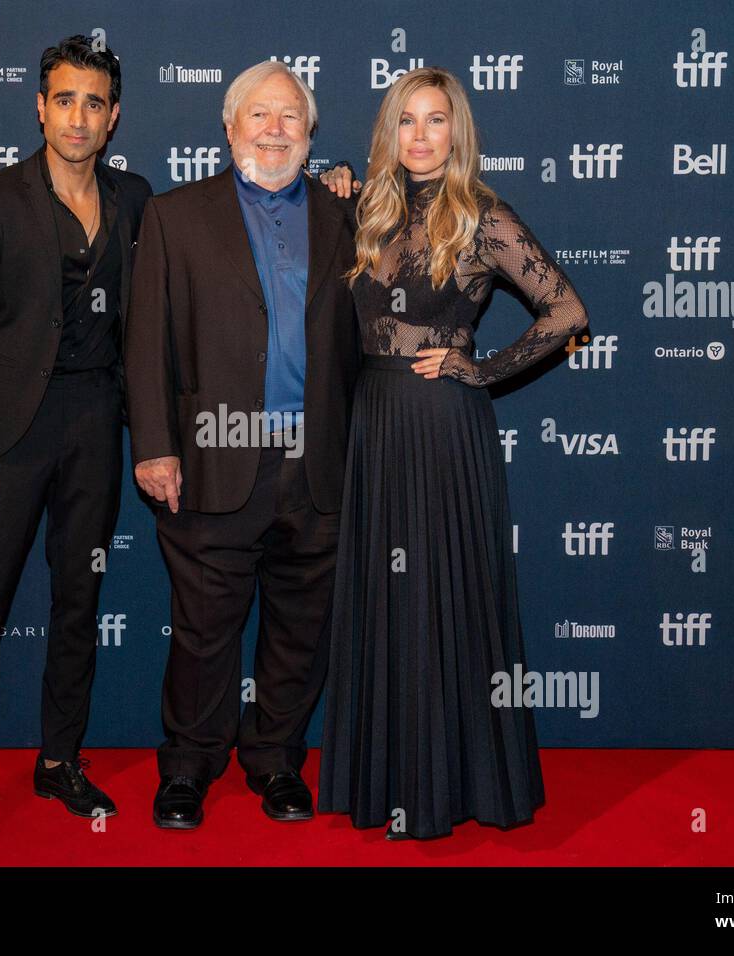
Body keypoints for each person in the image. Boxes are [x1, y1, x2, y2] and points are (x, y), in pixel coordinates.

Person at [316, 67, 588, 840]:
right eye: (407, 120)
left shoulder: (480, 215)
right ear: (390, 131)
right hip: (375, 419)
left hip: (440, 421)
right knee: (387, 599)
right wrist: (332, 177)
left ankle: (447, 784)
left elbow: (567, 311)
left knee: (441, 594)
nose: (421, 135)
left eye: (436, 120)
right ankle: (388, 781)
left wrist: (483, 368)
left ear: (456, 132)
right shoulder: (365, 209)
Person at [0, 35, 153, 864]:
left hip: (96, 422)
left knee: (78, 603)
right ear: (39, 107)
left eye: (94, 103)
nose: (78, 117)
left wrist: (330, 177)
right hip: (8, 435)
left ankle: (59, 762)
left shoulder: (135, 198)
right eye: (64, 100)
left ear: (113, 116)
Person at [124, 60, 361, 829]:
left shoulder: (347, 218)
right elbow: (145, 341)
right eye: (259, 114)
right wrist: (153, 445)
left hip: (318, 462)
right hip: (213, 457)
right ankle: (187, 767)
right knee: (203, 629)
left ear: (311, 134)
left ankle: (277, 761)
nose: (274, 130)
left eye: (291, 117)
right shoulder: (174, 216)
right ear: (229, 129)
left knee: (301, 627)